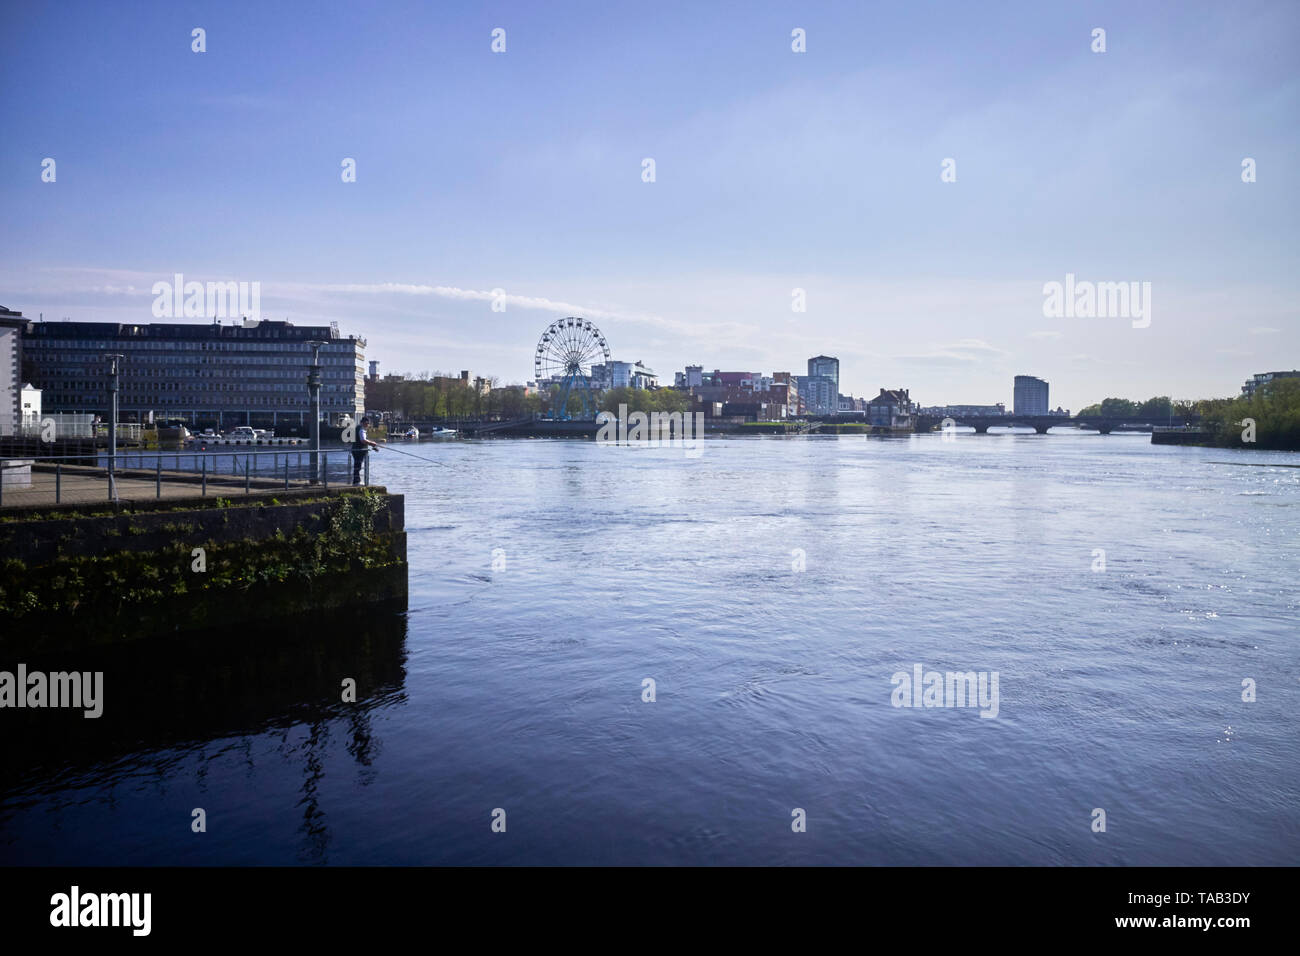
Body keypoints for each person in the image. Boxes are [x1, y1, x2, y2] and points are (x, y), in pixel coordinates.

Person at [352, 416, 381, 484]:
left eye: (367, 423)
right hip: (359, 451)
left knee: (357, 466)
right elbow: (363, 440)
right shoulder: (362, 430)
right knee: (358, 466)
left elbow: (362, 441)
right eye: (365, 423)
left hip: (355, 450)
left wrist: (373, 446)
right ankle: (356, 482)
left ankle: (356, 481)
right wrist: (372, 443)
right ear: (362, 423)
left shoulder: (358, 428)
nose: (367, 425)